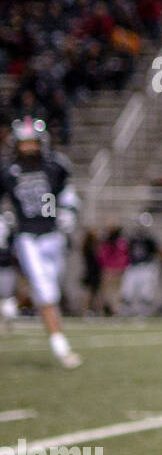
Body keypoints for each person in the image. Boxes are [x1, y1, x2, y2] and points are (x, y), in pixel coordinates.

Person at [0, 118, 81, 367]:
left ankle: (11, 307)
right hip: (28, 237)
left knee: (49, 288)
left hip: (53, 235)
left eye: (32, 143)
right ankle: (61, 347)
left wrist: (69, 212)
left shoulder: (55, 165)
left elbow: (68, 193)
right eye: (24, 143)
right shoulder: (8, 171)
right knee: (46, 293)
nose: (28, 148)